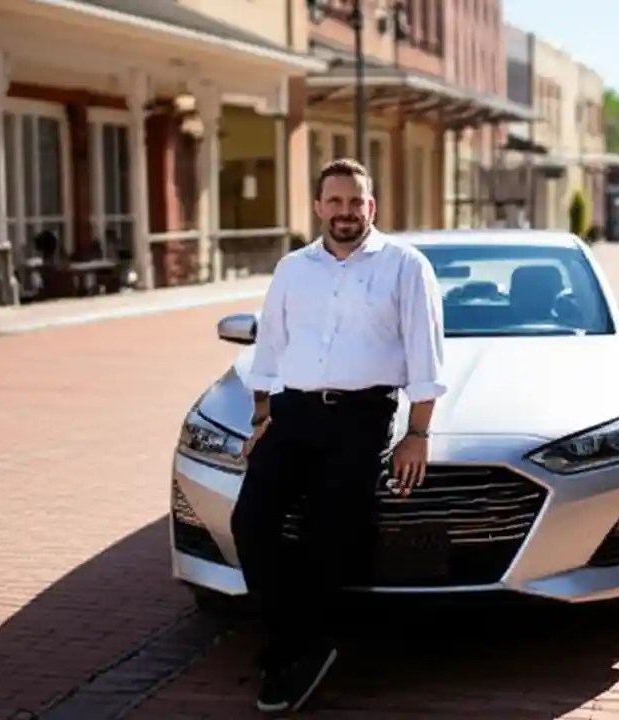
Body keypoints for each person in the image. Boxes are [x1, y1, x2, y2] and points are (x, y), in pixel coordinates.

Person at [230, 157, 447, 714]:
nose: (346, 212)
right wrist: (261, 416)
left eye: (357, 202)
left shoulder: (405, 265)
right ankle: (298, 639)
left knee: (331, 533)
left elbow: (426, 353)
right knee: (250, 521)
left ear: (371, 207)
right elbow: (270, 347)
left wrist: (416, 432)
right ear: (319, 206)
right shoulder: (292, 268)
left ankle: (292, 654)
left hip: (361, 417)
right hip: (292, 414)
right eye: (336, 201)